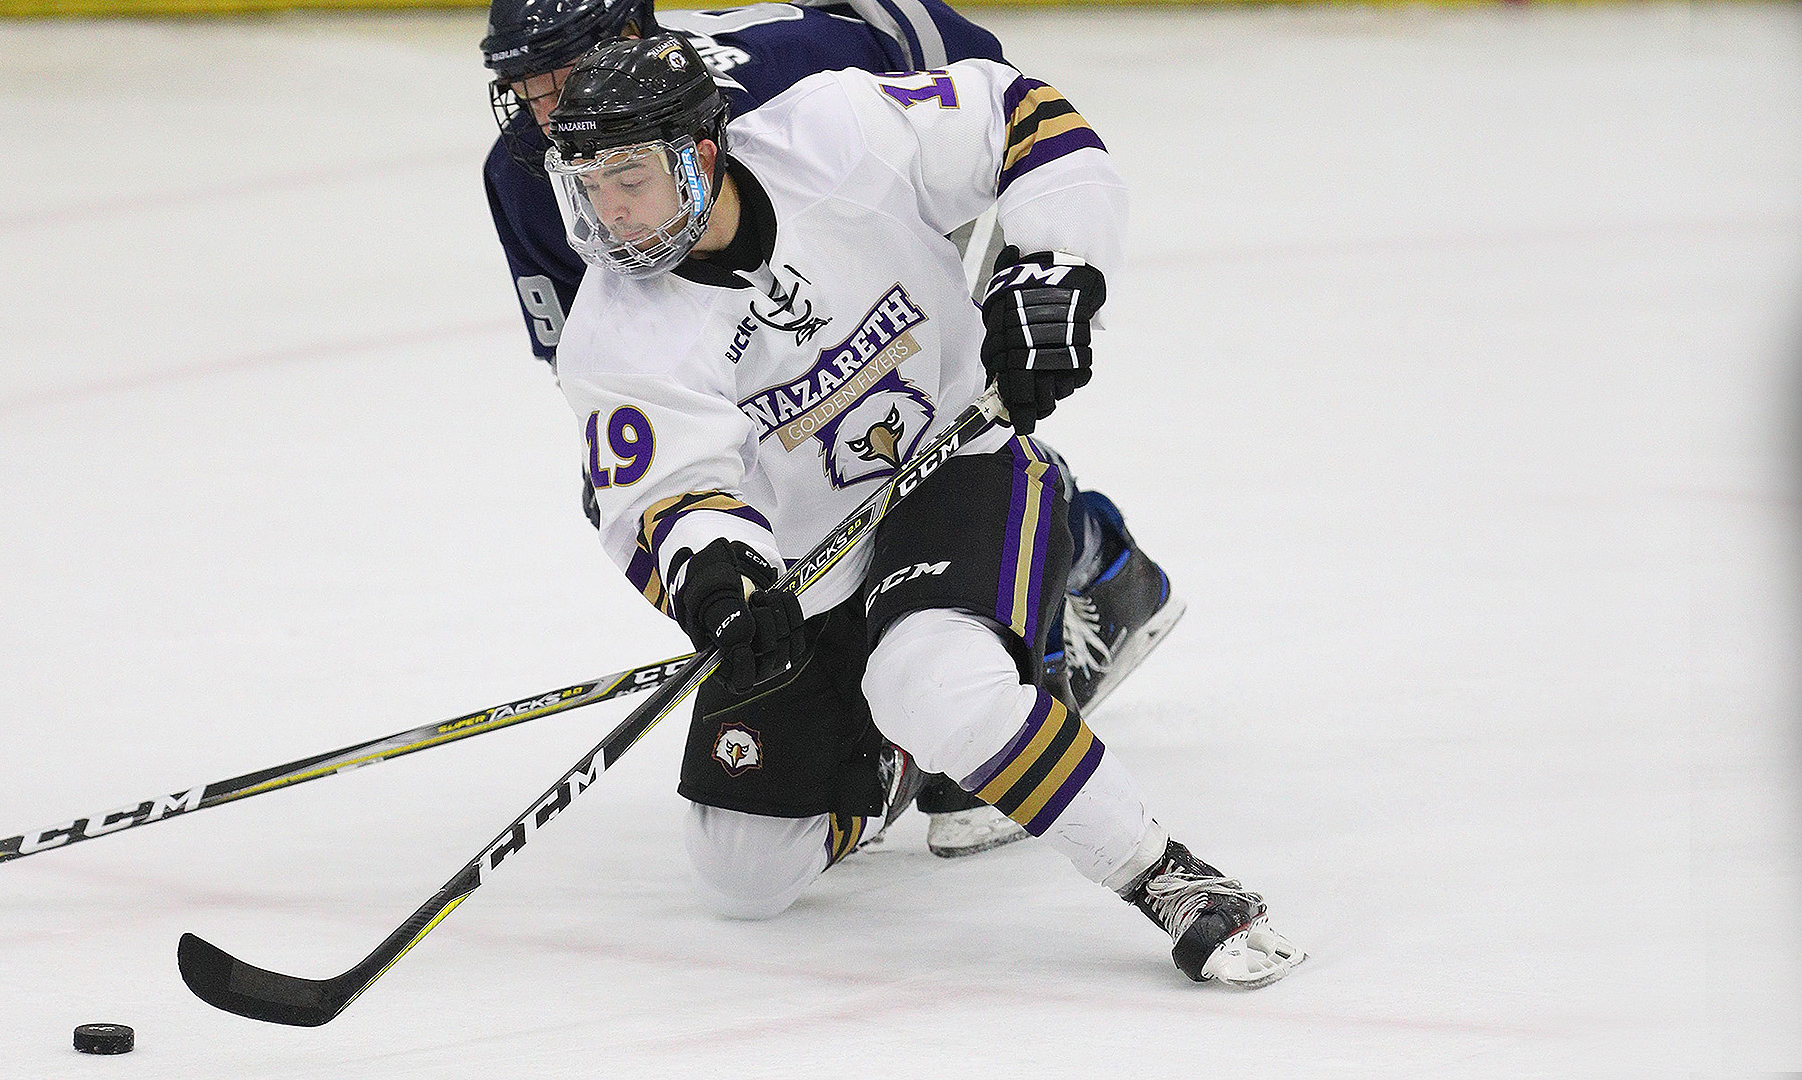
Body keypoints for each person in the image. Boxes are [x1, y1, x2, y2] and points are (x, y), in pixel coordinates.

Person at [538, 32, 1305, 987]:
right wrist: (725, 584)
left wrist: (1053, 270)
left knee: (932, 681)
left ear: (701, 153)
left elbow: (1025, 116)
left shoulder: (835, 134)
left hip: (961, 461)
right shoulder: (614, 336)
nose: (608, 213)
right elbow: (667, 499)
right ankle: (908, 752)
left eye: (629, 178)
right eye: (585, 187)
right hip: (815, 562)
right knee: (745, 871)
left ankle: (1170, 878)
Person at [479, 0, 1184, 859]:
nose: (545, 111)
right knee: (627, 499)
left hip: (874, 225)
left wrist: (1044, 259)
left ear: (635, 40)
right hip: (743, 323)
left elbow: (990, 90)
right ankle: (852, 677)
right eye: (523, 86)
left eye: (560, 74)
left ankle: (1058, 576)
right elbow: (613, 357)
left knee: (933, 414)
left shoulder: (794, 70)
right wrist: (719, 572)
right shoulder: (527, 172)